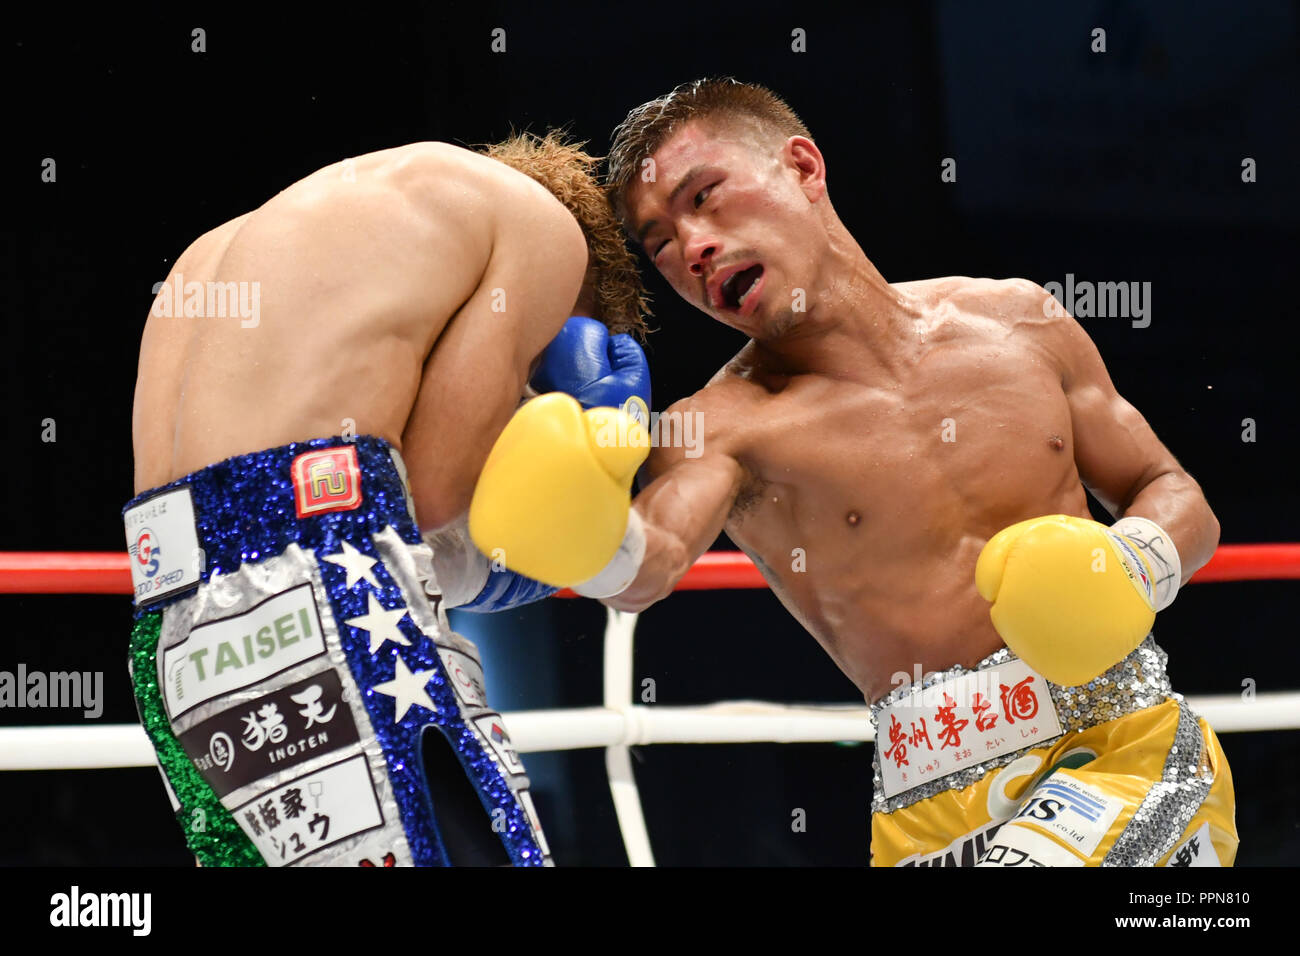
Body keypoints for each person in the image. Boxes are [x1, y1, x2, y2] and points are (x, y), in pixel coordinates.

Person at [472, 79, 1237, 867]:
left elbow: (1177, 496)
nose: (692, 247)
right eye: (661, 242)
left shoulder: (1019, 321)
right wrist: (579, 522)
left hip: (1118, 749)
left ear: (803, 167)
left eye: (707, 196)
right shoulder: (720, 427)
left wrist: (1131, 563)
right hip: (920, 807)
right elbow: (647, 562)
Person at [125, 132, 650, 867]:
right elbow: (433, 494)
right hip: (329, 606)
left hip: (174, 643)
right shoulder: (545, 234)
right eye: (534, 364)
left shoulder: (233, 243)